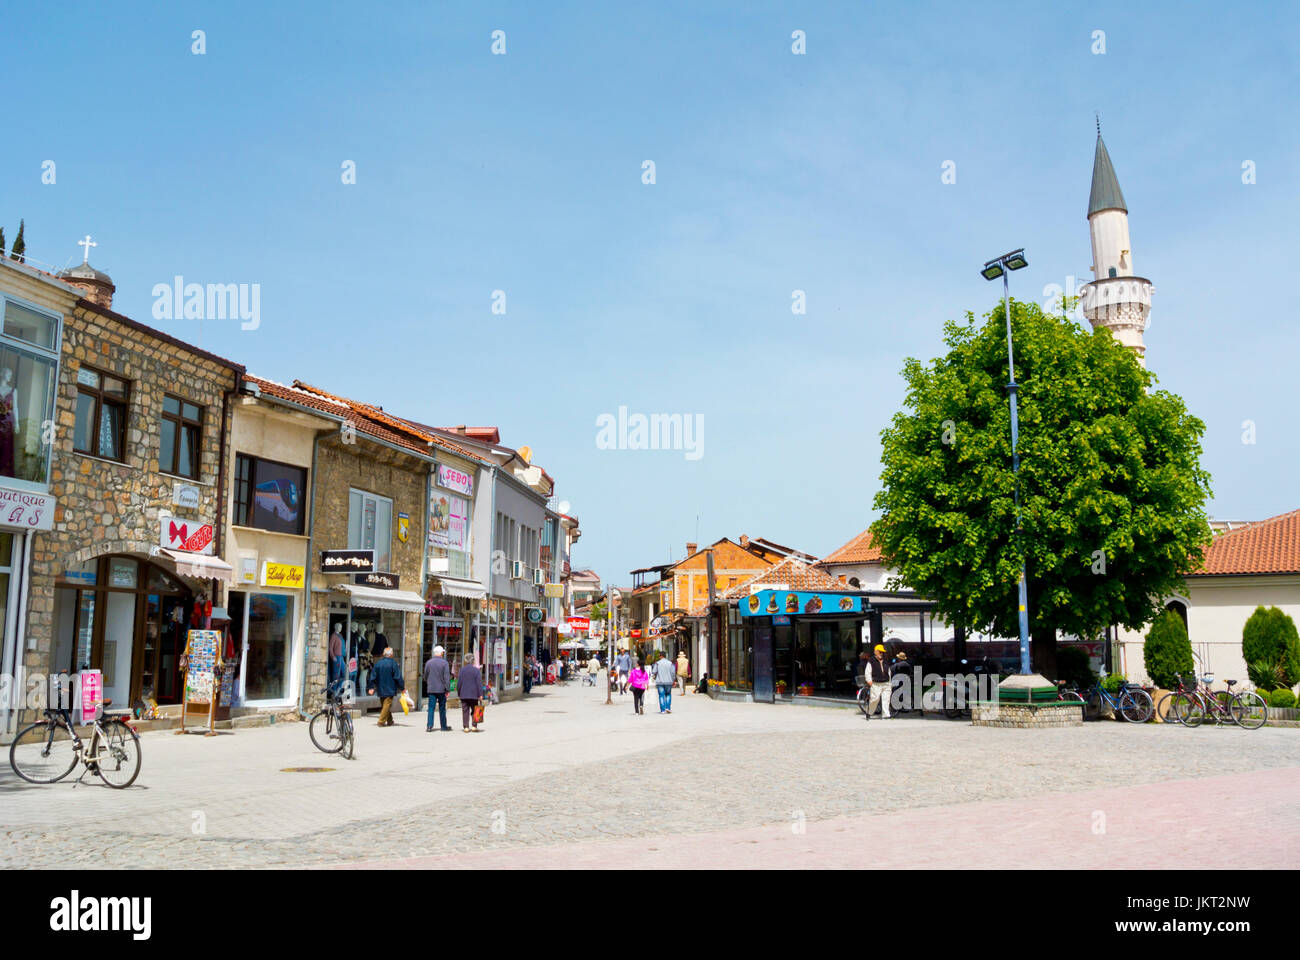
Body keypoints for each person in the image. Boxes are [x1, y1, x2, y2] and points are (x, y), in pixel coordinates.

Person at [367, 647, 406, 727]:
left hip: (380, 688)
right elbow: (398, 677)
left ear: (383, 654)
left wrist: (371, 687)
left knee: (385, 704)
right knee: (386, 705)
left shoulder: (378, 663)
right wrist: (402, 688)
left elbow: (373, 676)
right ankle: (381, 721)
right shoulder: (393, 663)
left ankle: (390, 721)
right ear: (391, 654)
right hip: (390, 688)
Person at [423, 645, 452, 732]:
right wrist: (447, 689)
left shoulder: (428, 663)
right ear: (441, 653)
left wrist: (429, 683)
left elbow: (425, 675)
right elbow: (447, 677)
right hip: (441, 689)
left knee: (431, 708)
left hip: (431, 688)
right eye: (443, 652)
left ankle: (429, 725)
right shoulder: (444, 663)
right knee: (442, 708)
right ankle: (443, 726)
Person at [457, 653, 484, 732]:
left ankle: (466, 727)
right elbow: (479, 683)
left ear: (465, 661)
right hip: (474, 694)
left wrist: (459, 693)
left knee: (465, 710)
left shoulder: (462, 670)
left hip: (464, 694)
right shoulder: (476, 670)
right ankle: (474, 726)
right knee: (475, 709)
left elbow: (459, 683)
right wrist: (481, 694)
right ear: (473, 661)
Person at [865, 644, 891, 720]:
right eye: (880, 652)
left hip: (886, 683)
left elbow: (889, 671)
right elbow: (868, 671)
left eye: (882, 652)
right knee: (875, 699)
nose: (881, 653)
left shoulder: (886, 660)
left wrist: (890, 681)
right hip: (876, 683)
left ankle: (886, 715)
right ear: (875, 652)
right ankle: (869, 712)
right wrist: (869, 680)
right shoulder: (871, 660)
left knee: (886, 699)